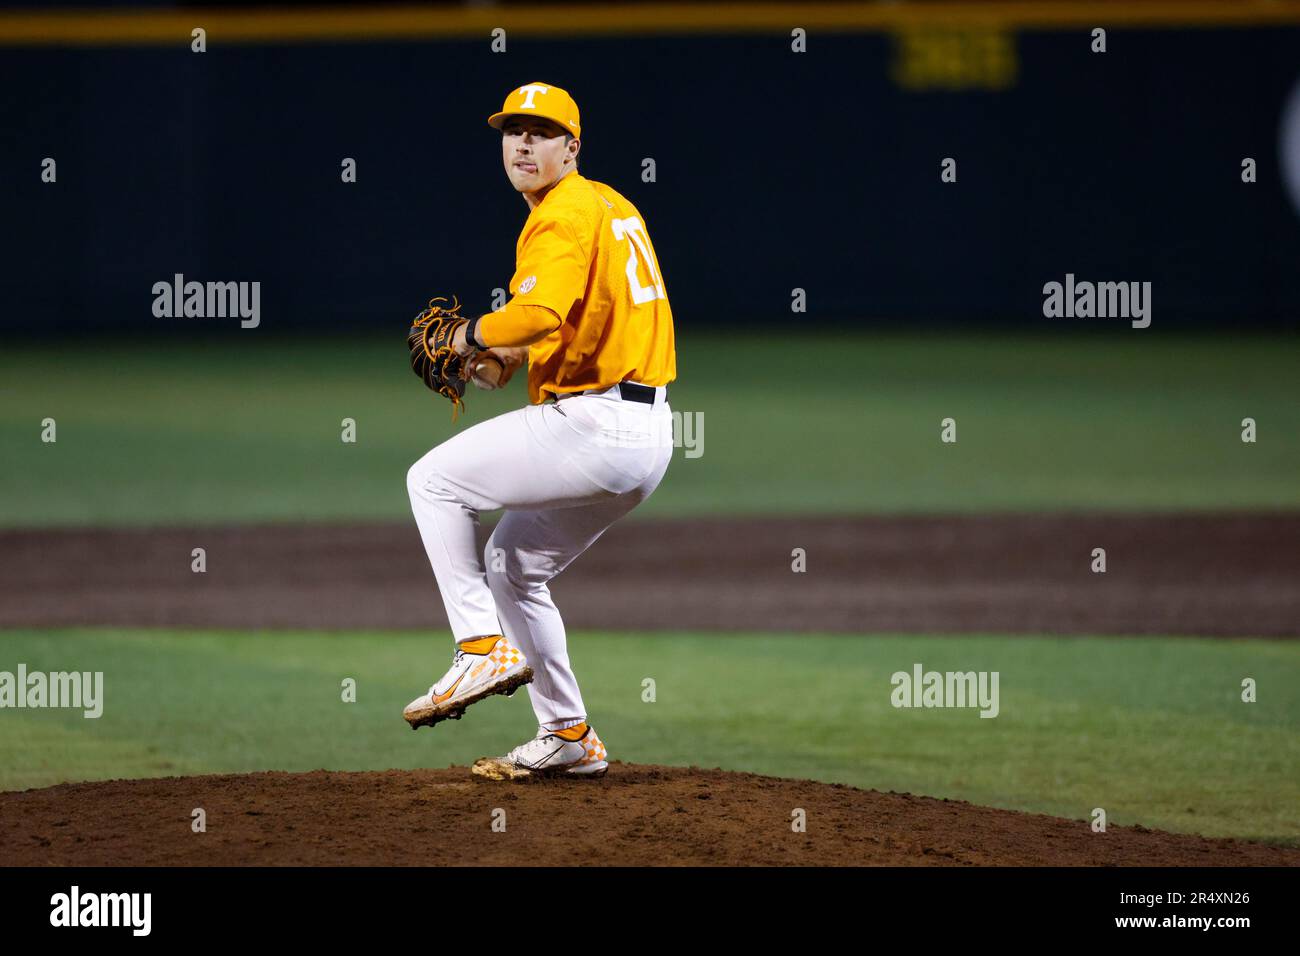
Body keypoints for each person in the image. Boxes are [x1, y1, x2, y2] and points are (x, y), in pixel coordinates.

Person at [402, 82, 676, 778]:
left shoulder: (560, 215)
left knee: (431, 480)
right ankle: (570, 735)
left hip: (596, 425)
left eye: (542, 132)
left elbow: (541, 314)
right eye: (512, 131)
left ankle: (479, 648)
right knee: (513, 566)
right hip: (642, 434)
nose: (523, 143)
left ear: (571, 147)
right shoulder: (608, 205)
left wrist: (465, 332)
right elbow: (560, 324)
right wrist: (489, 361)